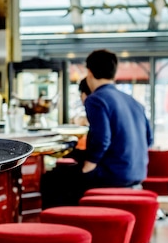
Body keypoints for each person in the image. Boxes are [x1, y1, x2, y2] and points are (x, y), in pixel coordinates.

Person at [41, 50, 152, 208]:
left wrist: (88, 166)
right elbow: (149, 139)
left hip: (111, 176)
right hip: (137, 173)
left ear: (89, 72)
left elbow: (102, 139)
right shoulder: (133, 101)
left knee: (51, 179)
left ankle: (62, 228)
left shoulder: (96, 99)